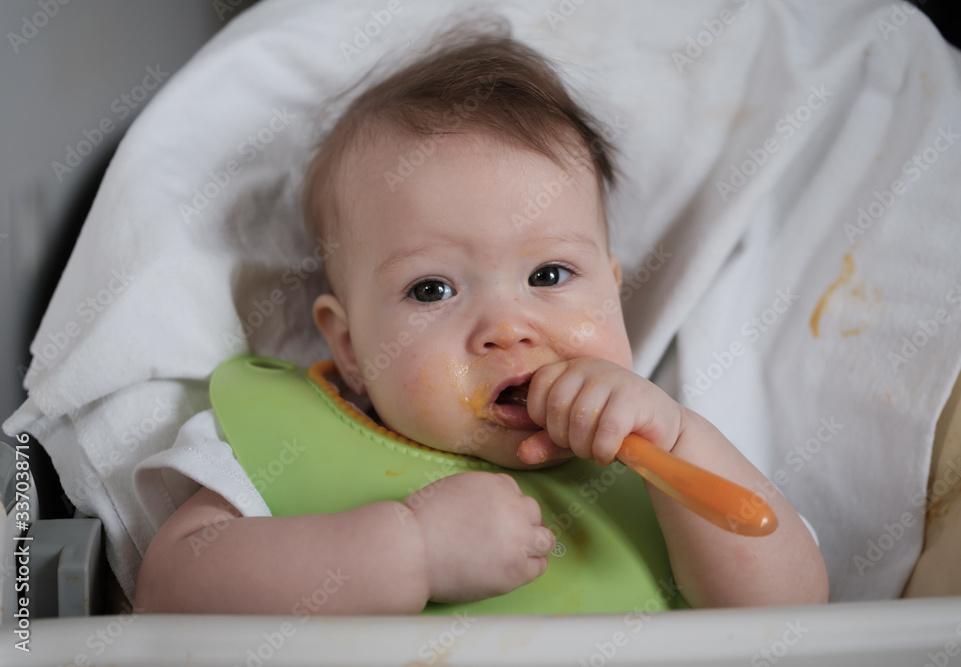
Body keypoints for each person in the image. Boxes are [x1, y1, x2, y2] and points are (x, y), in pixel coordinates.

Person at [134, 23, 828, 614]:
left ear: (613, 292)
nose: (507, 328)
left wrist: (675, 437)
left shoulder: (664, 460)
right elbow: (171, 587)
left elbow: (793, 611)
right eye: (432, 289)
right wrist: (411, 549)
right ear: (349, 345)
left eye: (549, 276)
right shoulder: (287, 437)